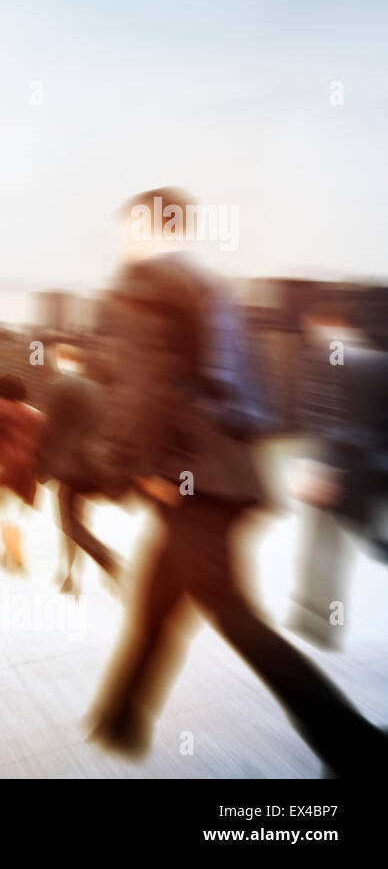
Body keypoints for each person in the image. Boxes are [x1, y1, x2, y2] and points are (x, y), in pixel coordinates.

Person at [88, 187, 388, 777]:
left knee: (233, 613)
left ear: (145, 228)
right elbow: (251, 400)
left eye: (129, 228)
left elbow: (141, 389)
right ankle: (120, 716)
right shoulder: (212, 288)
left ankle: (354, 746)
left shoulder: (144, 286)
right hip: (226, 475)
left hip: (187, 479)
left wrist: (135, 467)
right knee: (160, 591)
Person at [287, 298, 388, 649]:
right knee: (345, 544)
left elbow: (327, 418)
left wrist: (322, 466)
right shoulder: (379, 360)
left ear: (327, 319)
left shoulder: (326, 357)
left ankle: (319, 624)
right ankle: (319, 622)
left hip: (336, 473)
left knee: (322, 547)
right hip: (372, 474)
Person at [38, 343, 122, 593]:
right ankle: (71, 576)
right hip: (93, 467)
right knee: (77, 524)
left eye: (55, 358)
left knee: (70, 524)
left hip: (69, 468)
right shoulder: (97, 389)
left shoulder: (58, 387)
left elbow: (50, 430)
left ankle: (100, 562)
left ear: (63, 359)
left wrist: (42, 469)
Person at [0, 373, 44, 574]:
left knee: (6, 514)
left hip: (6, 468)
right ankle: (9, 553)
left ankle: (16, 558)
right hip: (27, 471)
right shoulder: (32, 413)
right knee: (14, 512)